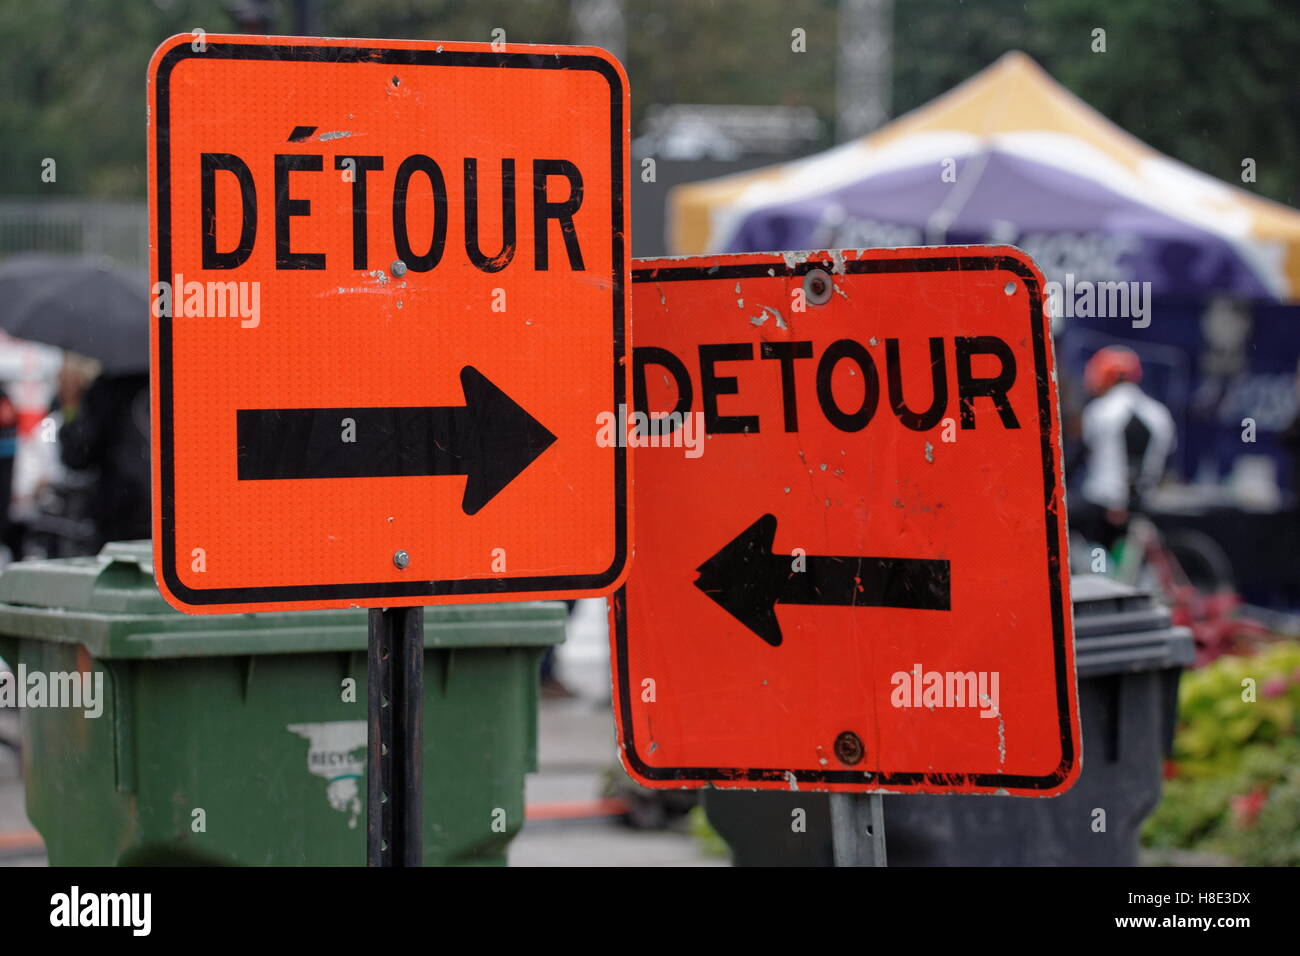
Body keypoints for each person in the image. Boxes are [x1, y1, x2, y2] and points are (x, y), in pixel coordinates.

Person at [1070, 346, 1176, 553]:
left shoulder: (1099, 411)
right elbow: (1166, 462)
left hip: (1101, 507)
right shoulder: (1160, 413)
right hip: (1144, 504)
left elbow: (1077, 458)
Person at [58, 368, 150, 550]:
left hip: (121, 510)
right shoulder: (179, 381)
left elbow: (77, 454)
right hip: (170, 509)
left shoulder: (107, 388)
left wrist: (70, 406)